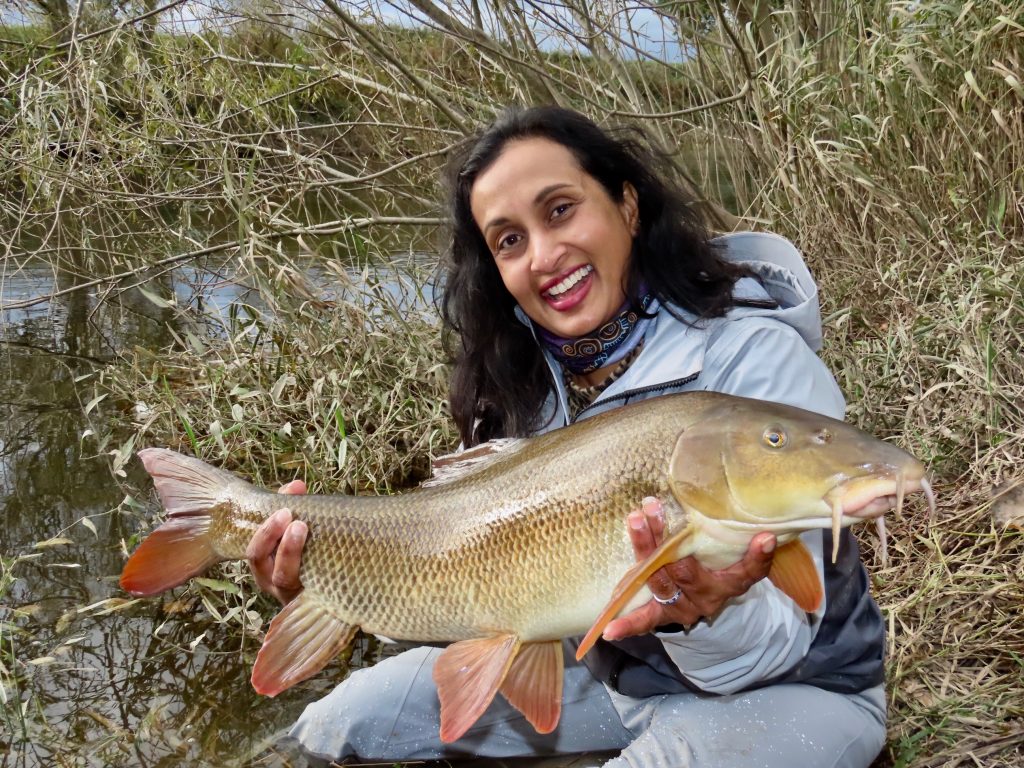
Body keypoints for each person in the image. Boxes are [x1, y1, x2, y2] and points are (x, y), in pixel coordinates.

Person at [245, 106, 887, 767]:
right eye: (509, 241)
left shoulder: (752, 367)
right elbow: (456, 573)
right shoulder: (520, 385)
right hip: (614, 677)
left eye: (559, 210)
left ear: (628, 206)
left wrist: (697, 609)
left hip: (795, 686)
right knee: (335, 726)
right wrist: (328, 575)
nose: (545, 256)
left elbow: (768, 651)